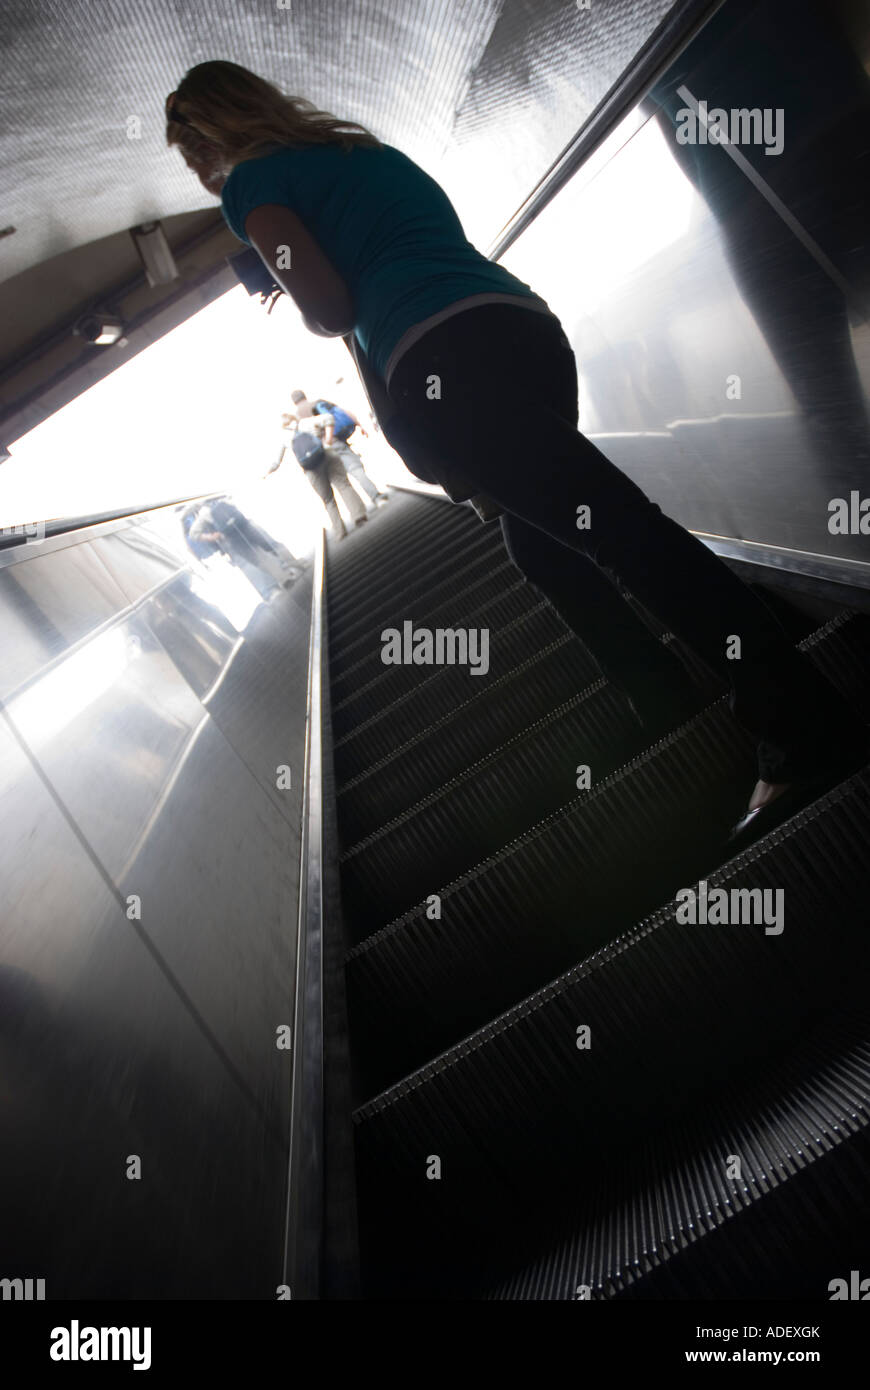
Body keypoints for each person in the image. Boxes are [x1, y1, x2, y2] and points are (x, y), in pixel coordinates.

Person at [166, 62, 868, 843]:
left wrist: (291, 289)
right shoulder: (362, 152)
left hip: (443, 362)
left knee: (623, 533)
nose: (196, 170)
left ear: (214, 130)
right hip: (521, 326)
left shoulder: (250, 187)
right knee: (542, 545)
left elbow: (329, 305)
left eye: (191, 149)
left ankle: (802, 728)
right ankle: (660, 697)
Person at [278, 411, 367, 538]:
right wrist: (328, 442)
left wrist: (266, 473)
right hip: (327, 454)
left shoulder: (284, 436)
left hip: (312, 469)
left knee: (328, 500)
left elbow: (276, 461)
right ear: (293, 418)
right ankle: (359, 516)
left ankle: (340, 532)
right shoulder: (305, 422)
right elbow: (328, 418)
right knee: (343, 486)